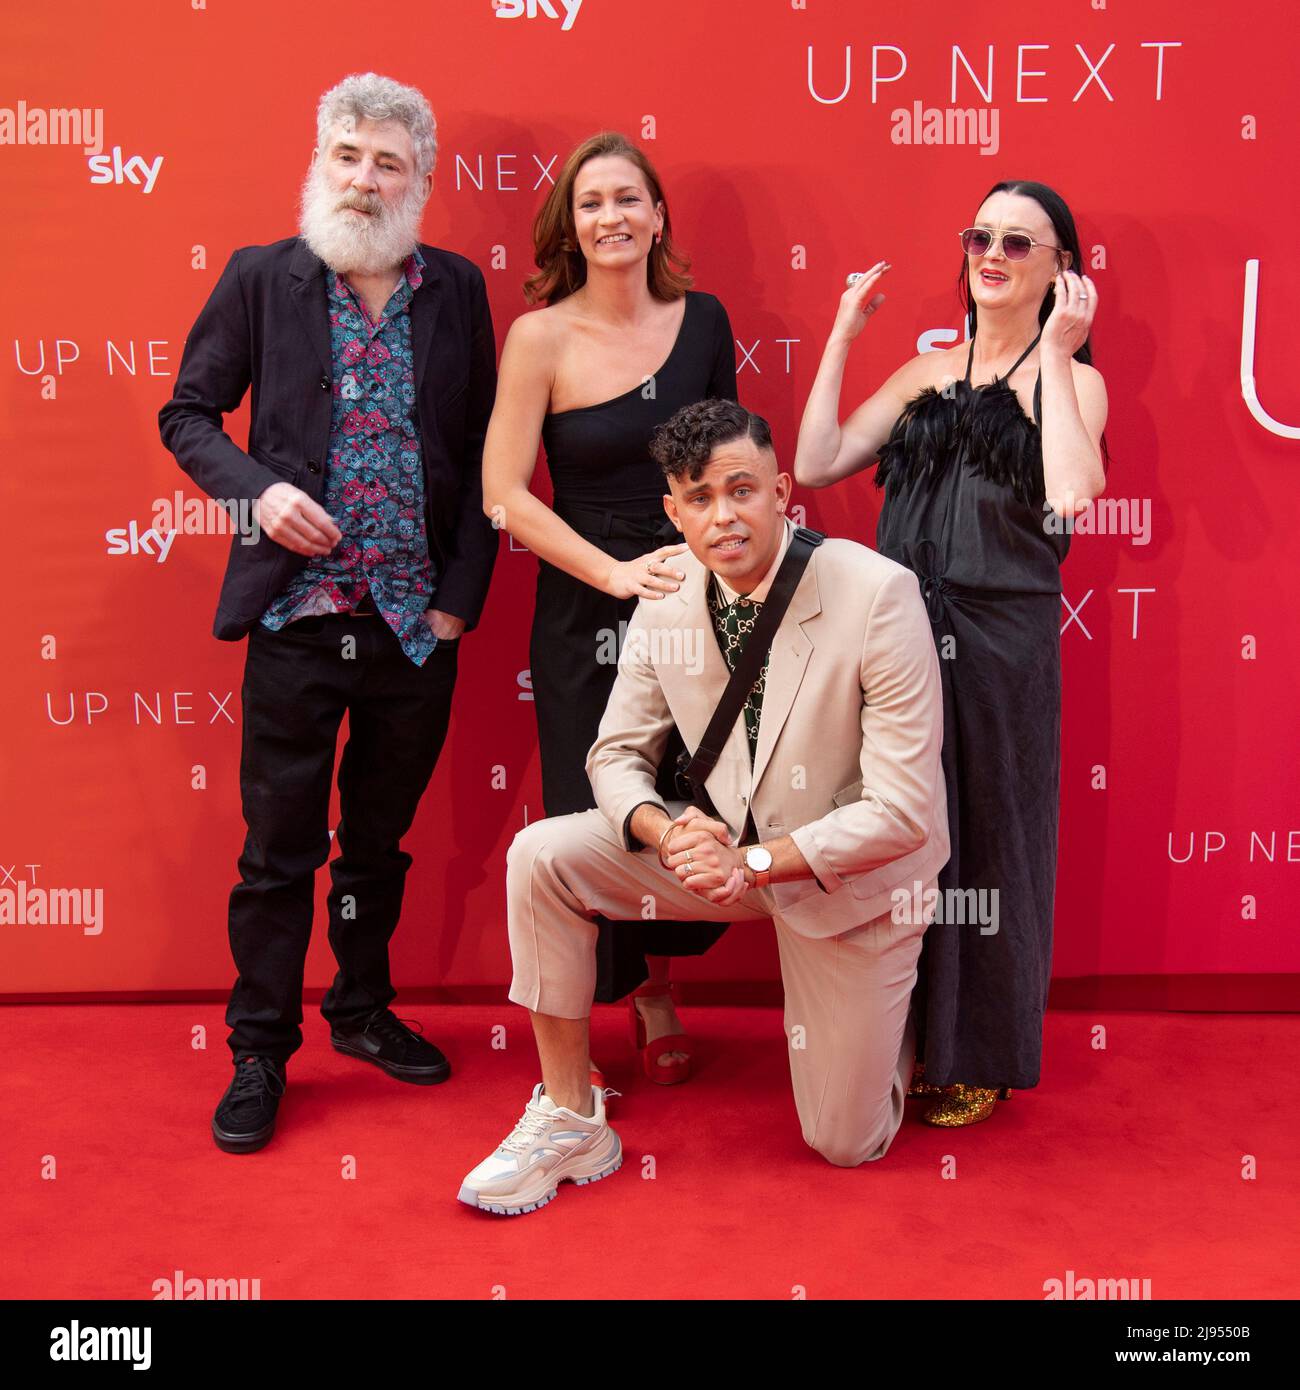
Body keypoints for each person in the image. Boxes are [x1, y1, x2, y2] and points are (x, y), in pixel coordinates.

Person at [458, 399, 949, 1215]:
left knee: (844, 1143)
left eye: (741, 490)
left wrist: (751, 861)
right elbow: (614, 756)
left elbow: (904, 812)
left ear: (782, 490)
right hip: (719, 861)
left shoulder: (877, 595)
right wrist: (668, 828)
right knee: (541, 854)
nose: (723, 516)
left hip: (845, 880)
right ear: (673, 511)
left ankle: (902, 1024)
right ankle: (571, 1115)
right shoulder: (668, 590)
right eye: (698, 497)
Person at [157, 72, 498, 1153]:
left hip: (413, 627)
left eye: (387, 161)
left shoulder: (457, 290)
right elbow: (187, 411)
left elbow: (490, 453)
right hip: (296, 619)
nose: (364, 178)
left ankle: (357, 1008)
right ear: (320, 160)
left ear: (421, 179)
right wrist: (257, 489)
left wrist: (455, 606)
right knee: (277, 852)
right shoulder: (264, 278)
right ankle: (260, 1047)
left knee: (378, 844)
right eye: (348, 155)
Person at [793, 179, 1108, 1125]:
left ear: (1061, 270)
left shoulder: (1075, 380)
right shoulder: (928, 372)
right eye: (981, 235)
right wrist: (845, 333)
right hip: (895, 637)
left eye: (1020, 241)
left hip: (1000, 643)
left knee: (989, 845)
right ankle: (889, 1034)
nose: (994, 254)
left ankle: (976, 1054)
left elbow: (1072, 496)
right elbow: (815, 462)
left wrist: (1054, 355)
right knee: (894, 831)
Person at [482, 131, 738, 1087]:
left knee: (683, 793)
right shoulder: (539, 336)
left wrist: (704, 571)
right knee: (591, 804)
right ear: (569, 225)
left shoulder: (704, 321)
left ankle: (655, 993)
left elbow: (728, 469)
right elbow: (503, 490)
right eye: (592, 203)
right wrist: (614, 575)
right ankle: (570, 1052)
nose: (612, 218)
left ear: (658, 214)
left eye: (628, 199)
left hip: (694, 601)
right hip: (585, 602)